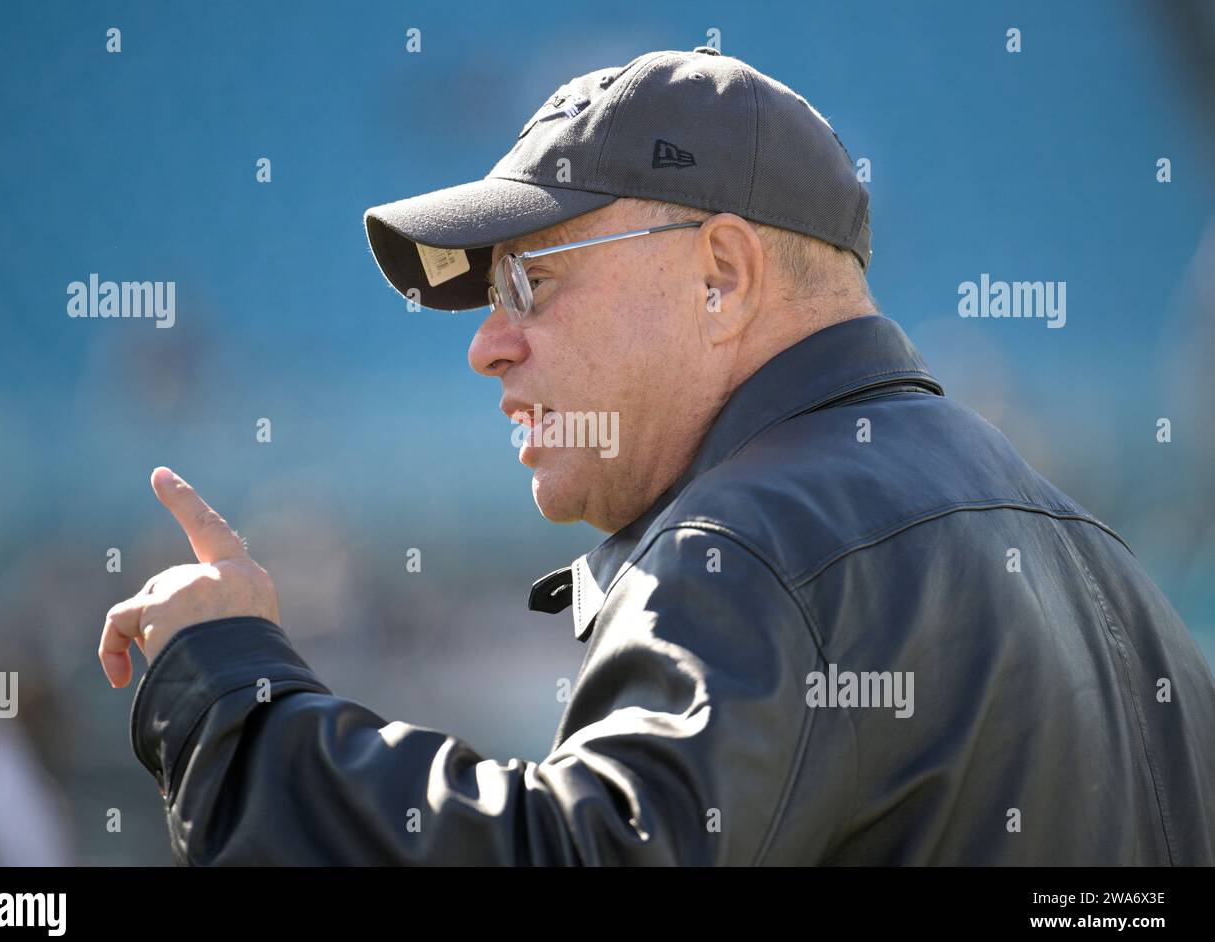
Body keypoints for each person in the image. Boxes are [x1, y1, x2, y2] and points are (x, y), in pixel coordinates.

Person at [99, 47, 1215, 865]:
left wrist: (234, 702)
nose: (487, 343)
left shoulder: (750, 540)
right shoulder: (1103, 566)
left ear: (721, 273)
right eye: (488, 294)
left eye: (531, 277)